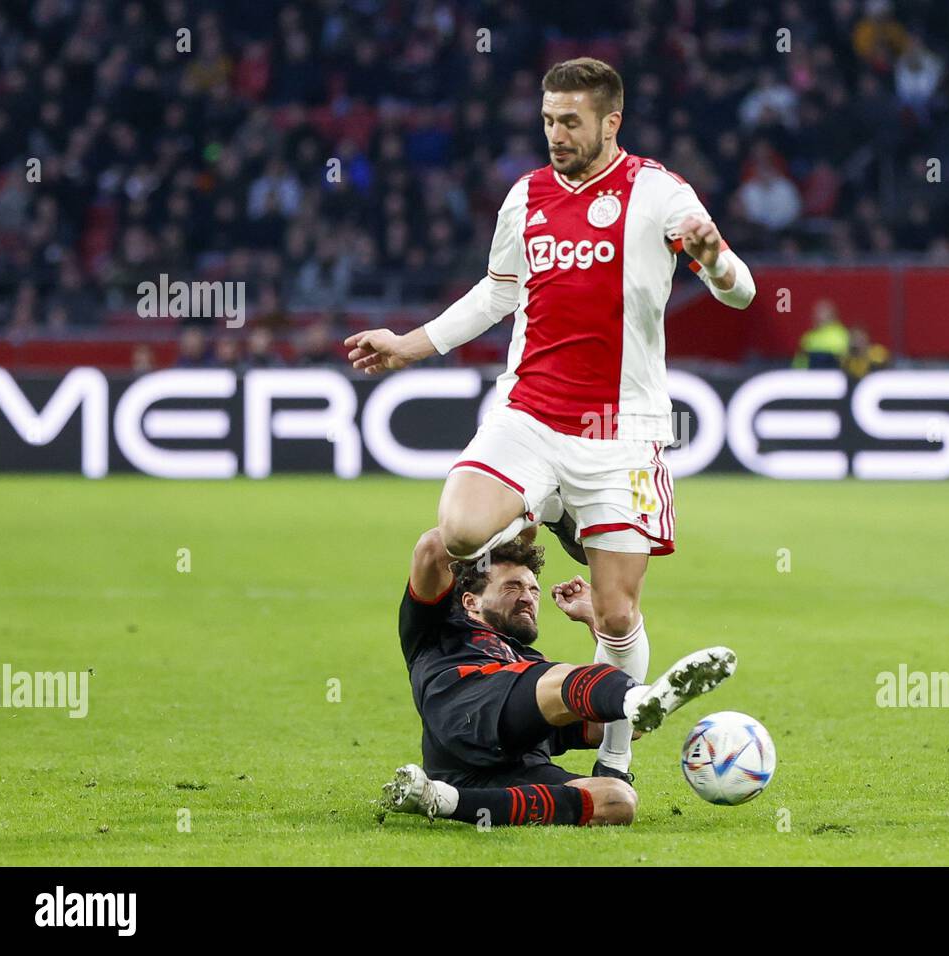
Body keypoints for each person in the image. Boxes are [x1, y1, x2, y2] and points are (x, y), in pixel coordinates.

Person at [345, 57, 756, 785]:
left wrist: (714, 258)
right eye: (547, 120)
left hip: (619, 432)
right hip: (528, 411)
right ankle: (553, 509)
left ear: (610, 122)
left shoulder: (659, 194)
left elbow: (743, 293)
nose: (556, 134)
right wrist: (408, 346)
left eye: (570, 121)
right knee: (462, 531)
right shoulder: (527, 197)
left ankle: (616, 760)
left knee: (618, 614)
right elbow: (495, 295)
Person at [381, 524, 736, 827]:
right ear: (472, 601)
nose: (527, 598)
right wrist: (510, 517)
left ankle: (443, 800)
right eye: (512, 588)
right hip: (465, 710)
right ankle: (637, 696)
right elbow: (431, 549)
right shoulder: (440, 628)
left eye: (533, 590)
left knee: (618, 800)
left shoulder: (530, 662)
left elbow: (617, 726)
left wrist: (598, 623)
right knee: (561, 681)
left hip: (499, 767)